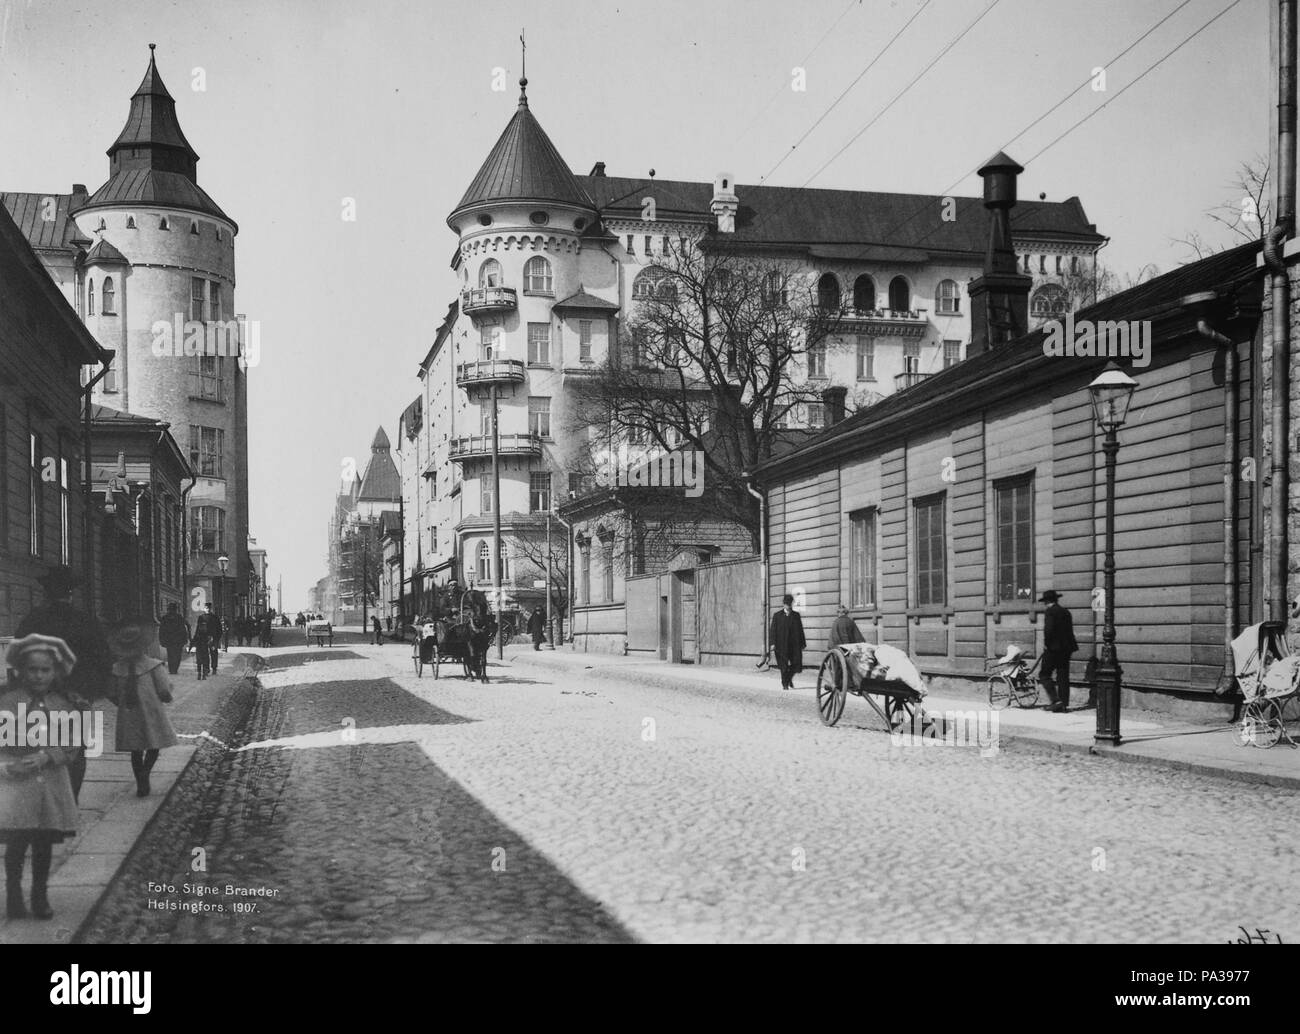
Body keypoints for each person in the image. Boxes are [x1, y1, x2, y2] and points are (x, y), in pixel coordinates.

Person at [1, 635, 80, 920]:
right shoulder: (8, 703)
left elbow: (74, 740)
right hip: (16, 787)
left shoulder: (62, 704)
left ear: (55, 672)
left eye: (45, 670)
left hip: (50, 785)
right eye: (32, 669)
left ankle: (39, 895)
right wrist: (7, 767)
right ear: (21, 671)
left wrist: (49, 755)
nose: (38, 675)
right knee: (16, 844)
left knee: (44, 844)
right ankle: (13, 896)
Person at [15, 565, 109, 803]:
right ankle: (70, 800)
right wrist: (89, 692)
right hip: (75, 697)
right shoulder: (85, 620)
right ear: (70, 593)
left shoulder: (32, 620)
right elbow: (102, 660)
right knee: (75, 749)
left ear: (46, 593)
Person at [106, 617, 178, 797]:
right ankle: (146, 772)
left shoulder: (116, 668)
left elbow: (111, 693)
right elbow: (163, 689)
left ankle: (140, 781)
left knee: (135, 749)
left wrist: (121, 702)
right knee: (154, 745)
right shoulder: (153, 666)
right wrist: (167, 697)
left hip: (129, 713)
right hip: (151, 711)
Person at [1038, 590, 1078, 713]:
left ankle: (1055, 701)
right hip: (1067, 649)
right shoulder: (1066, 612)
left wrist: (1046, 645)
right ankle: (1064, 704)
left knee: (1044, 674)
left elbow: (1048, 631)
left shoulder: (1050, 612)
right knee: (1063, 675)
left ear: (1047, 601)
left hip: (1053, 648)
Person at [768, 593, 807, 691]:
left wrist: (802, 643)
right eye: (786, 604)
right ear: (783, 604)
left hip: (794, 645)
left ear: (791, 604)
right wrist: (772, 643)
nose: (788, 606)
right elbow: (773, 631)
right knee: (783, 666)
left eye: (789, 604)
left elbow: (800, 630)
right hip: (781, 645)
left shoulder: (796, 615)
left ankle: (788, 678)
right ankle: (785, 683)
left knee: (796, 664)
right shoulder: (777, 616)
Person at [157, 604, 190, 675]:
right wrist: (185, 639)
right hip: (176, 640)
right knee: (176, 655)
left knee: (171, 655)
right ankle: (174, 669)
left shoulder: (166, 618)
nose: (171, 611)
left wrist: (162, 640)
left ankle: (172, 669)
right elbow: (183, 629)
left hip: (171, 640)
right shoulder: (178, 617)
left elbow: (161, 631)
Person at [192, 604, 220, 680]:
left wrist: (217, 638)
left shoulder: (215, 617)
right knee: (205, 654)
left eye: (208, 608)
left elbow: (219, 629)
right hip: (203, 638)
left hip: (213, 638)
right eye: (206, 608)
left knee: (213, 653)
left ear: (211, 609)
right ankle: (206, 669)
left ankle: (214, 668)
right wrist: (196, 638)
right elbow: (198, 628)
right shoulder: (201, 617)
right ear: (204, 609)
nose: (207, 609)